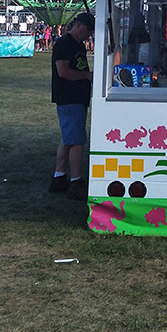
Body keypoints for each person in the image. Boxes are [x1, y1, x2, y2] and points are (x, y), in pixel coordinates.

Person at [49, 12, 95, 200]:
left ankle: (59, 177)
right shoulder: (64, 44)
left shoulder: (78, 45)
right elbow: (63, 72)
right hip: (69, 97)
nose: (89, 35)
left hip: (76, 98)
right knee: (77, 141)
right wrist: (86, 76)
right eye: (88, 30)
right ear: (79, 26)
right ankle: (76, 182)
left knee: (68, 139)